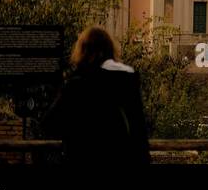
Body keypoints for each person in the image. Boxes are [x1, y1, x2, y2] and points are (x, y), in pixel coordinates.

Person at [45, 26, 150, 165]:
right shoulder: (127, 79)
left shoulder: (77, 83)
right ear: (110, 48)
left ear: (82, 50)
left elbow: (50, 123)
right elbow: (139, 129)